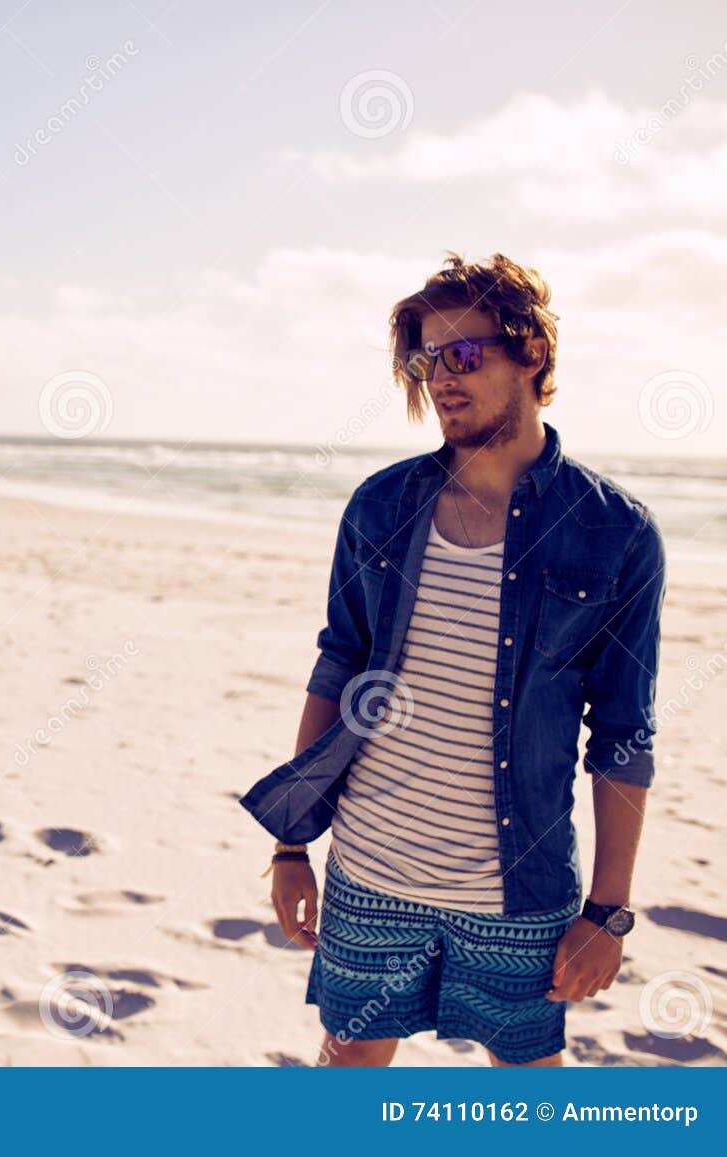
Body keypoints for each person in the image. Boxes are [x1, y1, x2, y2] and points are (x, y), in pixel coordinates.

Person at [242, 253, 664, 1067]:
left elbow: (623, 733)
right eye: (424, 360)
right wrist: (291, 848)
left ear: (531, 352)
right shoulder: (381, 505)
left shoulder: (616, 533)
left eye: (464, 354)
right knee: (347, 1079)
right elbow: (337, 667)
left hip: (521, 891)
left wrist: (607, 912)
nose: (440, 378)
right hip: (370, 872)